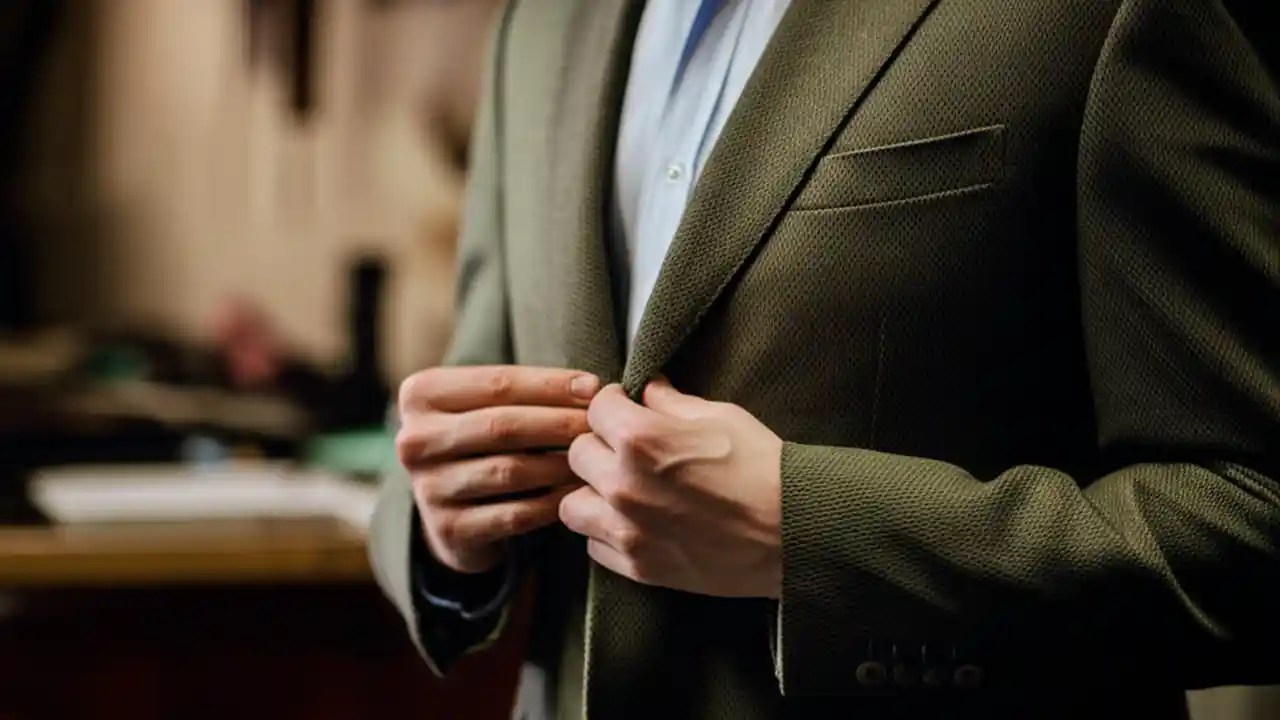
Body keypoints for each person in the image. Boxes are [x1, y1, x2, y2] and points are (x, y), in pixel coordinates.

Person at [370, 0, 1279, 717]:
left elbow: (1249, 520)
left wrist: (814, 536)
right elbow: (457, 402)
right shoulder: (535, 28)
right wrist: (441, 525)